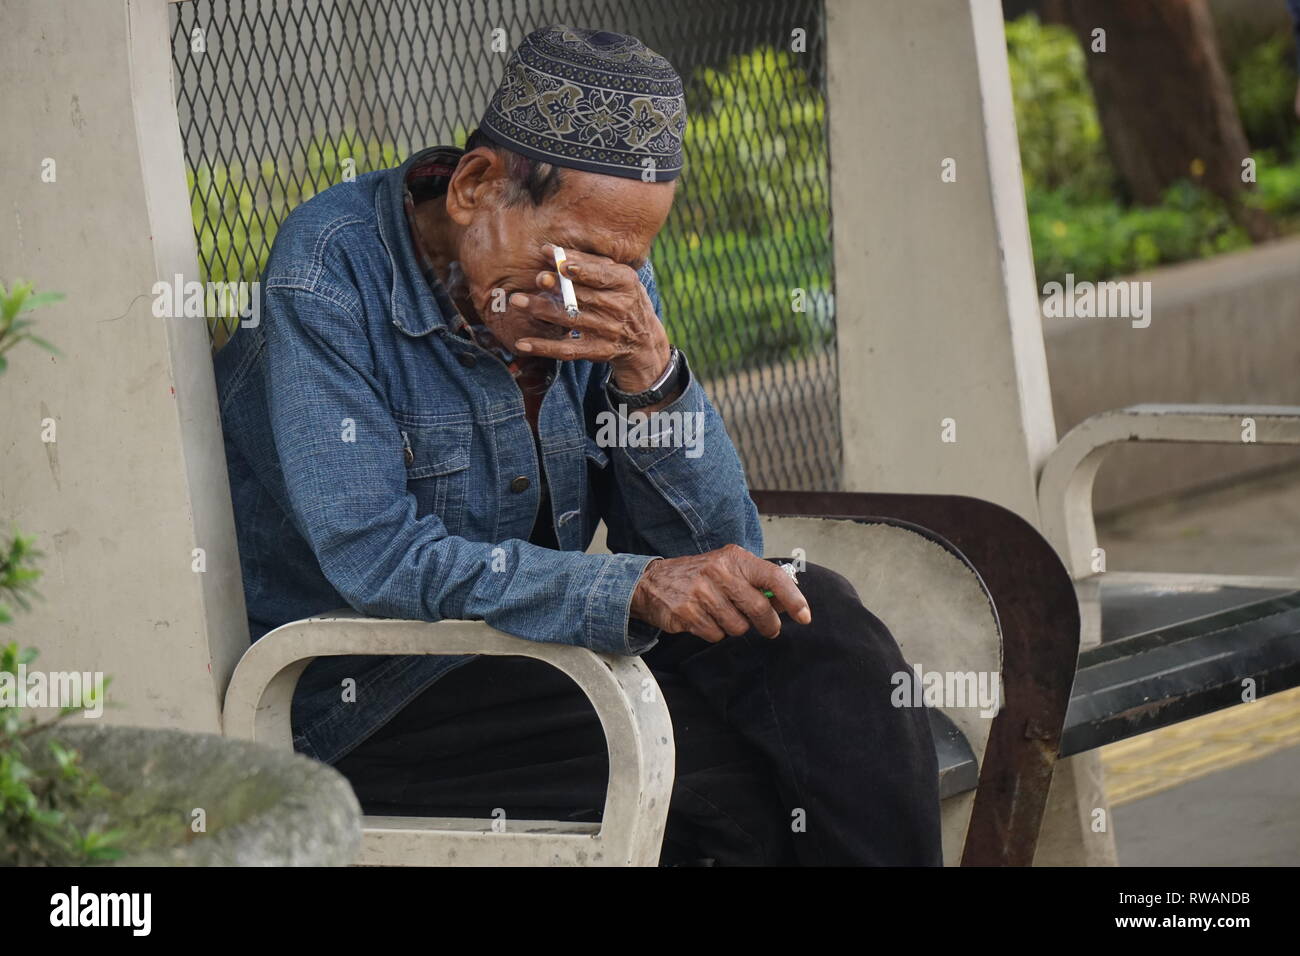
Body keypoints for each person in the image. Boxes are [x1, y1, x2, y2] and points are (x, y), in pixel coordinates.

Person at [214, 25, 942, 865]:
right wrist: (631, 588)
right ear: (475, 187)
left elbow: (718, 547)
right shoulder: (329, 273)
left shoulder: (605, 283)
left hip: (545, 650)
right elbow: (375, 556)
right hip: (377, 693)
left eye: (624, 266)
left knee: (819, 628)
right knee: (730, 782)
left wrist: (650, 371)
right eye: (577, 256)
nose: (582, 292)